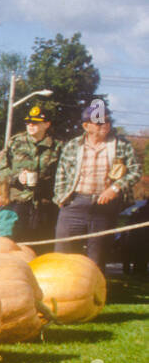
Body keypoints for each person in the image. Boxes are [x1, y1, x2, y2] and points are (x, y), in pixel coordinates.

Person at [53, 102, 143, 271]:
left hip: (105, 208)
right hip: (74, 204)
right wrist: (61, 198)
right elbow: (61, 174)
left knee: (97, 257)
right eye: (100, 122)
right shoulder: (73, 146)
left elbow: (135, 171)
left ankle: (95, 294)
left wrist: (115, 189)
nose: (106, 125)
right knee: (63, 254)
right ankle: (63, 293)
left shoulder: (122, 145)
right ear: (86, 126)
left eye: (108, 121)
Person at [0, 104, 60, 248]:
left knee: (42, 246)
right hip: (18, 203)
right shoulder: (15, 142)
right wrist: (15, 178)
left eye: (36, 122)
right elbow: (0, 167)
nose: (30, 125)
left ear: (47, 124)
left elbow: (63, 174)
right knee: (14, 246)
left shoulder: (57, 146)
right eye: (28, 122)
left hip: (45, 205)